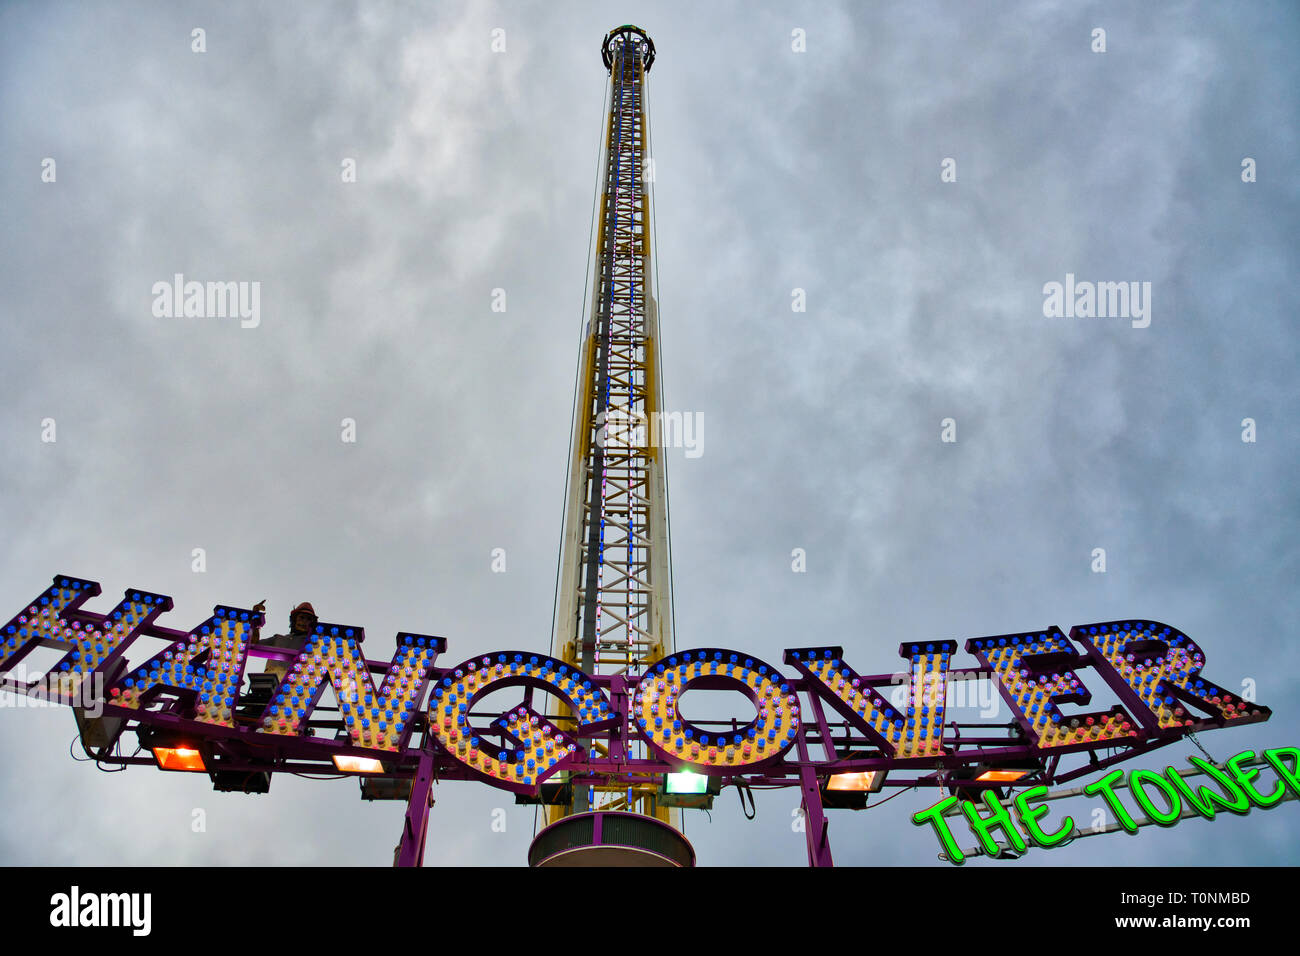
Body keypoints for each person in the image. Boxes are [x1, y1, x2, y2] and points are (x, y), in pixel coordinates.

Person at [254, 602, 318, 683]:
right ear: (294, 620)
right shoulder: (278, 639)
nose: (304, 621)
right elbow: (253, 644)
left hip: (294, 686)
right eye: (302, 617)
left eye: (308, 619)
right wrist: (255, 620)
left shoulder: (312, 644)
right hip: (268, 683)